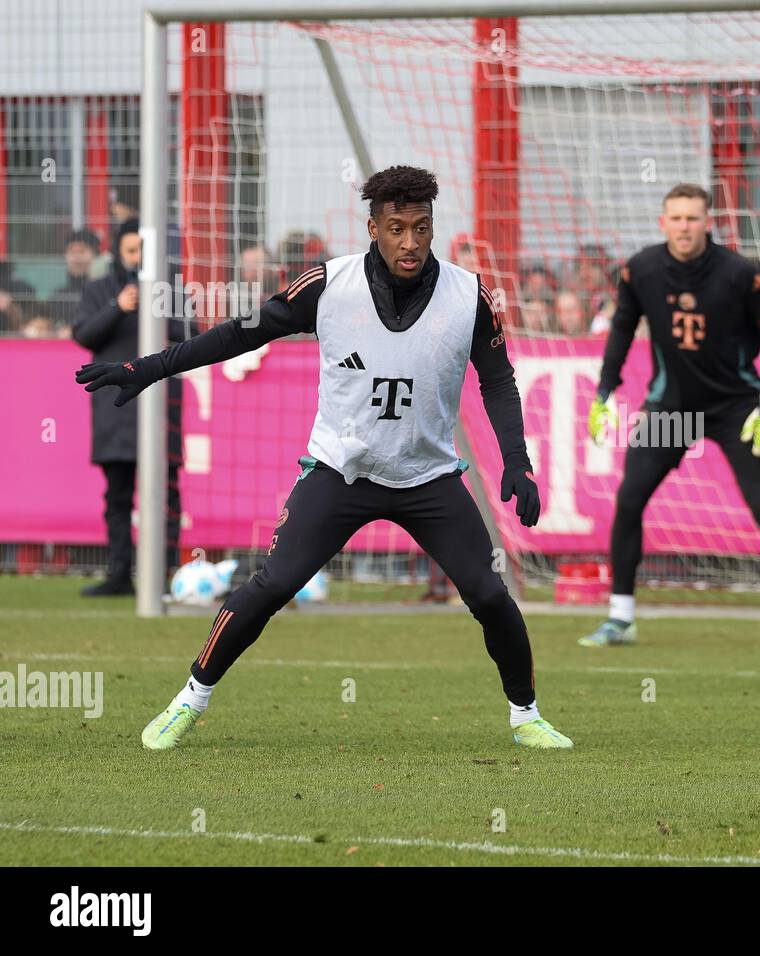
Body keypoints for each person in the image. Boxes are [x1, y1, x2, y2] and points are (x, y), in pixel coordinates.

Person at [75, 165, 574, 752]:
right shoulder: (327, 284)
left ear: (433, 227)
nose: (410, 241)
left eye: (420, 227)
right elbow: (241, 333)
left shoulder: (471, 297)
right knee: (271, 584)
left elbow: (497, 380)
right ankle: (190, 699)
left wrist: (517, 461)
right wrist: (150, 366)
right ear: (373, 227)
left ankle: (526, 715)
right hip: (340, 472)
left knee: (491, 596)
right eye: (396, 228)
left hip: (428, 478)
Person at [582, 183, 760, 649]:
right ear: (663, 222)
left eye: (692, 218)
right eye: (675, 218)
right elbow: (621, 326)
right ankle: (620, 617)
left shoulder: (740, 274)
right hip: (672, 408)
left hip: (735, 408)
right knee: (630, 499)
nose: (684, 227)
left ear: (707, 221)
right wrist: (604, 391)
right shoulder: (641, 270)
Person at [71, 219, 182, 596]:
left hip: (162, 408)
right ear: (119, 251)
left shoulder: (169, 290)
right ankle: (120, 574)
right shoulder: (100, 290)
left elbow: (194, 336)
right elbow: (84, 335)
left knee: (166, 493)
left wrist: (158, 309)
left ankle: (164, 575)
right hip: (117, 412)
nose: (137, 259)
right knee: (118, 495)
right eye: (131, 251)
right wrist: (118, 308)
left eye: (144, 252)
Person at [47, 229, 102, 331]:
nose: (76, 257)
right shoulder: (57, 296)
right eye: (71, 251)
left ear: (95, 255)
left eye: (82, 251)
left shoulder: (103, 293)